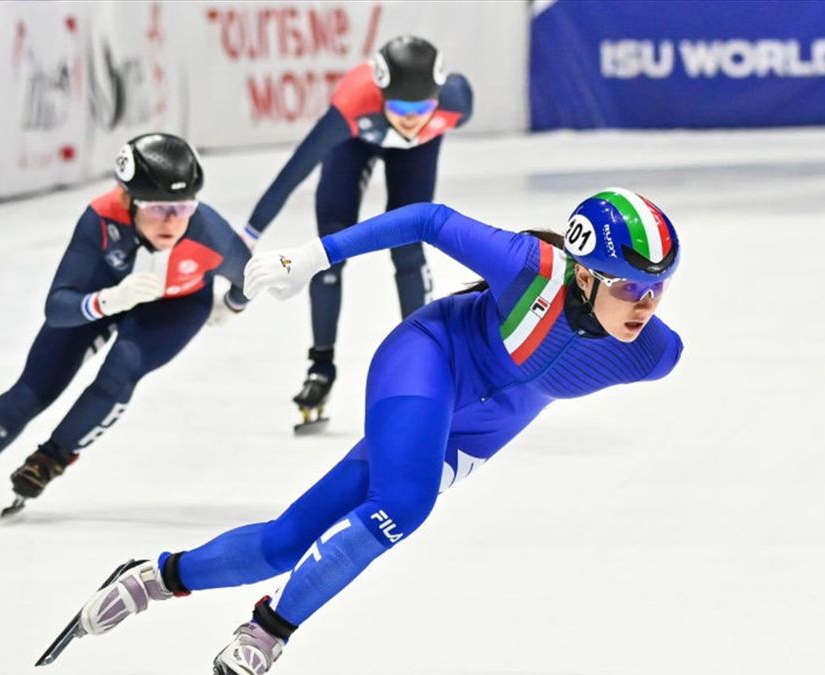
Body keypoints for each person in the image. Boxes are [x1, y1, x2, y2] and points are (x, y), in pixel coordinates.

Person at [64, 188, 684, 674]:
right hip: (430, 359)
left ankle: (155, 578)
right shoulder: (529, 269)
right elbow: (429, 220)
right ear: (583, 275)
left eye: (658, 289)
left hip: (485, 427)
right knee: (403, 504)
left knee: (285, 542)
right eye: (630, 286)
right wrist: (310, 257)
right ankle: (268, 634)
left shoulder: (654, 353)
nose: (645, 304)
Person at [0, 133, 251, 516]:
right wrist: (106, 300)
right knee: (31, 392)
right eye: (158, 208)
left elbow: (250, 275)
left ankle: (51, 459)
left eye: (183, 208)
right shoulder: (101, 218)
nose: (172, 221)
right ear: (128, 200)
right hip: (103, 292)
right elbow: (58, 308)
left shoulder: (210, 233)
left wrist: (230, 305)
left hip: (176, 307)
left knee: (120, 372)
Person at [241, 34, 474, 431]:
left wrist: (415, 120)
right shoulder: (353, 102)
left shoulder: (455, 102)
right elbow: (294, 172)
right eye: (401, 106)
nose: (411, 117)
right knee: (329, 244)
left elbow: (421, 119)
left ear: (437, 99)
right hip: (356, 142)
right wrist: (248, 235)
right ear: (382, 95)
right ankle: (321, 368)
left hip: (416, 152)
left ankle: (425, 366)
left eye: (422, 106)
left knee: (408, 247)